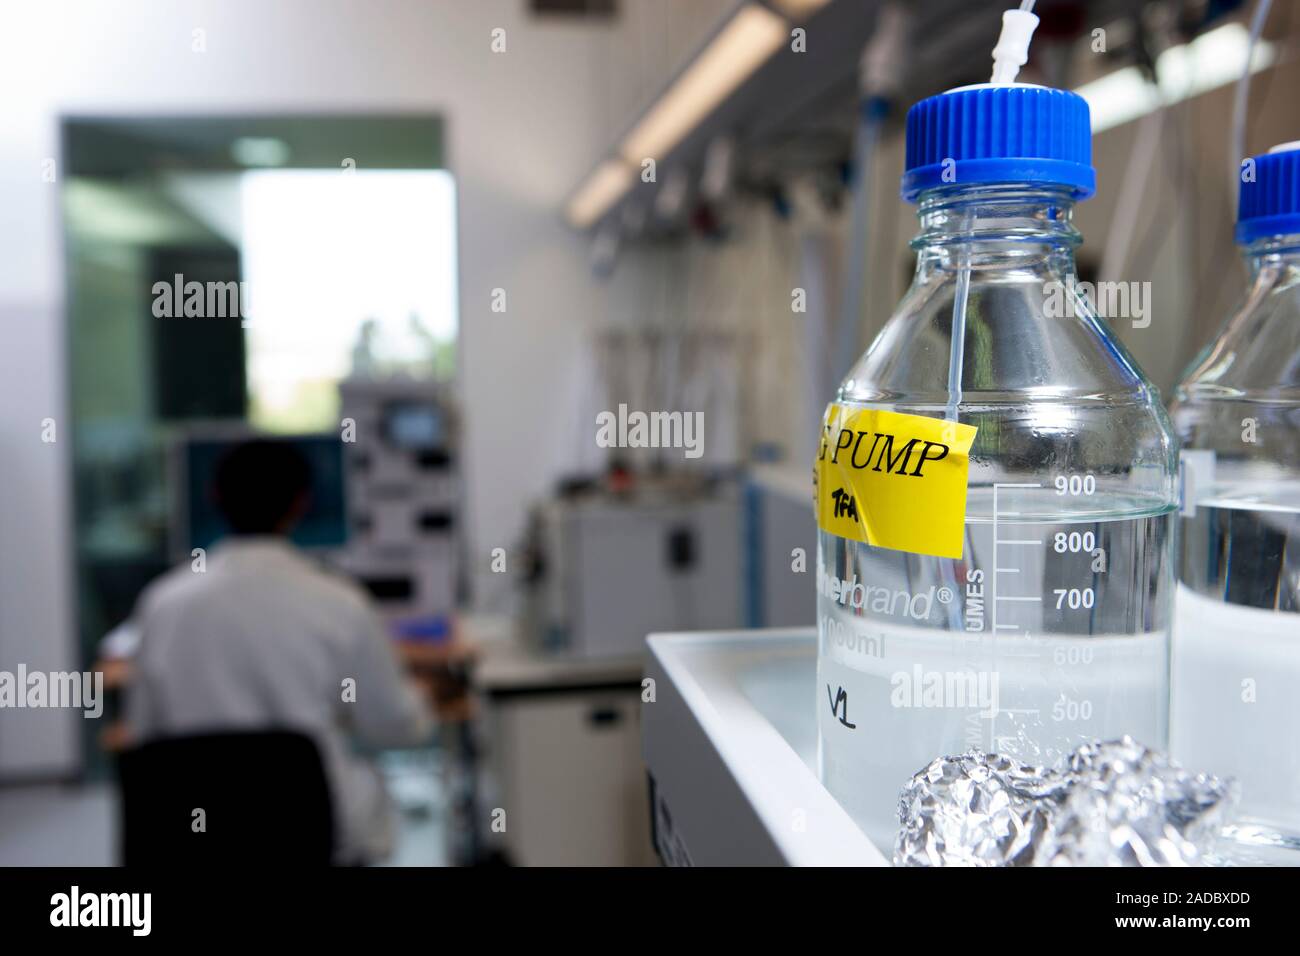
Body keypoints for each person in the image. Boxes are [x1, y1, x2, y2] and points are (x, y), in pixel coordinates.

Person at [128, 439, 432, 864]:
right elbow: (396, 725)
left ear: (214, 498)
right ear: (301, 503)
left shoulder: (162, 604)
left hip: (194, 835)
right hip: (311, 832)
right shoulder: (339, 602)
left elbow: (144, 735)